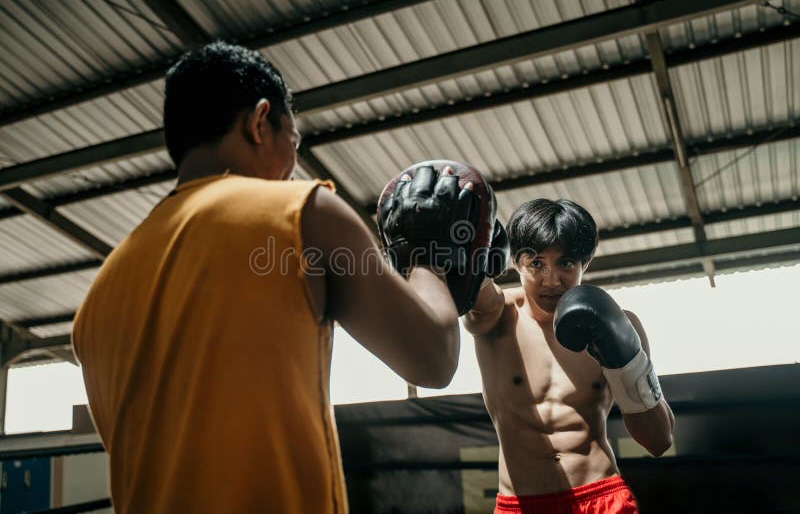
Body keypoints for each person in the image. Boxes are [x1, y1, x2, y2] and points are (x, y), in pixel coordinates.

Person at [71, 41, 468, 513]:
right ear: (260, 123)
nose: (292, 169)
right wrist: (426, 253)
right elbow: (434, 358)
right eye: (293, 142)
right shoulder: (301, 214)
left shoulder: (97, 298)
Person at [463, 198, 675, 513]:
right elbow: (475, 304)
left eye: (566, 263)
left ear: (584, 264)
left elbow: (659, 441)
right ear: (515, 263)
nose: (552, 280)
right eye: (536, 263)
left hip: (600, 499)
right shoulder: (497, 315)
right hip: (521, 505)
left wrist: (626, 360)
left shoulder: (619, 324)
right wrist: (467, 254)